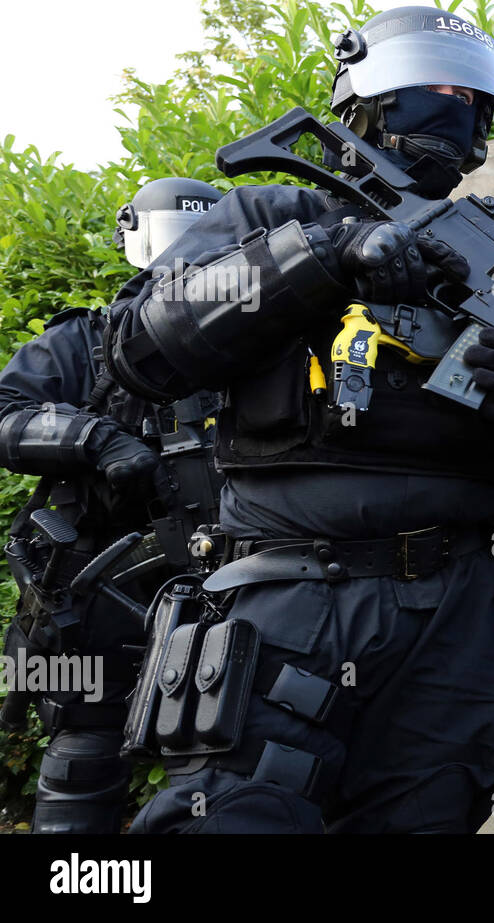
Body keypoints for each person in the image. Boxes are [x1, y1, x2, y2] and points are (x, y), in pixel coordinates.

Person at [102, 4, 494, 834]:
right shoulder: (268, 217)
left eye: (477, 105)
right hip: (291, 603)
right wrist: (326, 257)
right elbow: (141, 345)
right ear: (372, 99)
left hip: (459, 620)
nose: (463, 119)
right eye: (441, 93)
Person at [0, 177, 224, 834]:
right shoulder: (87, 341)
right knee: (82, 760)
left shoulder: (250, 351)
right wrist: (95, 437)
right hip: (94, 589)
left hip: (222, 583)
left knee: (216, 760)